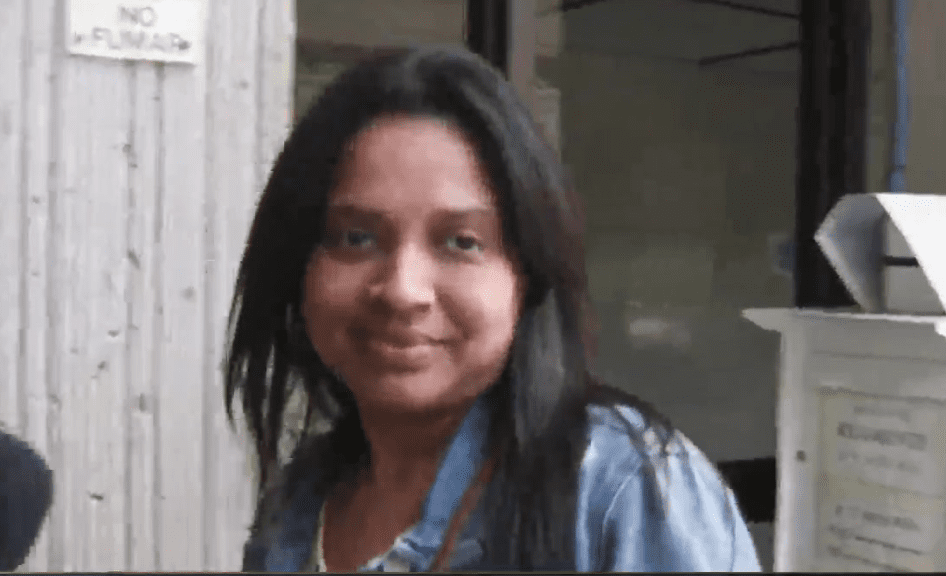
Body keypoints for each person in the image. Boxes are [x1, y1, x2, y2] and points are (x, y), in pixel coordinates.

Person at [224, 44, 761, 572]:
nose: (403, 290)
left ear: (528, 272)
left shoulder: (620, 491)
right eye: (356, 237)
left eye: (461, 241)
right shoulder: (299, 505)